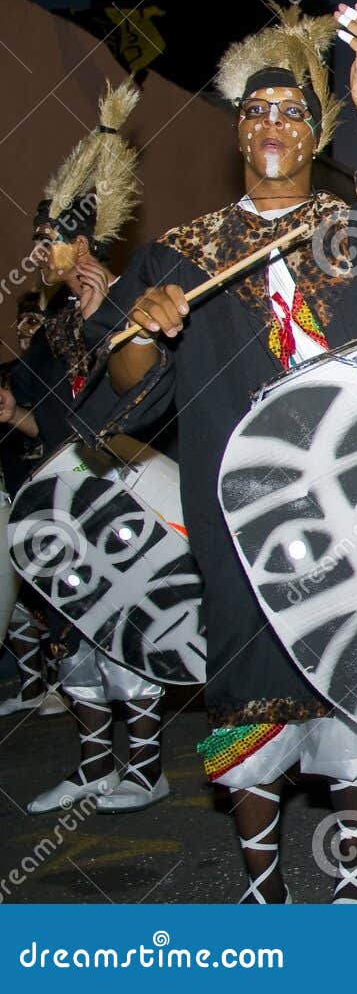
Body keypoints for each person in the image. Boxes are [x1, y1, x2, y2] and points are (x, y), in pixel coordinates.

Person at [93, 3, 357, 902]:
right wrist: (142, 325)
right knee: (245, 694)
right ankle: (262, 890)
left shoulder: (339, 228)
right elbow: (125, 382)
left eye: (292, 110)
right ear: (239, 131)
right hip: (243, 517)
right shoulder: (184, 253)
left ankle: (355, 879)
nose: (271, 125)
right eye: (256, 111)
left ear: (312, 130)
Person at [11, 80, 169, 812]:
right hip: (63, 497)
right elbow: (51, 425)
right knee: (74, 639)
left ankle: (146, 767)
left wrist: (107, 314)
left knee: (123, 626)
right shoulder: (43, 328)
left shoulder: (118, 297)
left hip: (118, 490)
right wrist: (14, 414)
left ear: (80, 244)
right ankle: (94, 763)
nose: (36, 252)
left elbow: (143, 393)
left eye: (47, 241)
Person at [0, 291, 66, 721]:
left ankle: (62, 683)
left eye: (35, 321)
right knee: (21, 607)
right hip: (15, 500)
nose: (27, 329)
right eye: (21, 320)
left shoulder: (58, 366)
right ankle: (32, 685)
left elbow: (47, 425)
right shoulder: (11, 374)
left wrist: (13, 414)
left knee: (59, 596)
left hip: (55, 500)